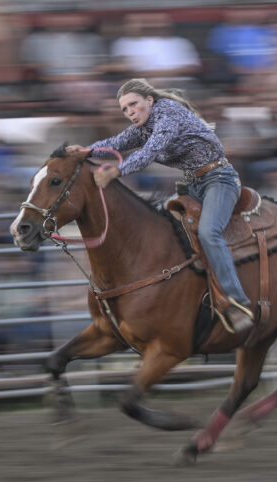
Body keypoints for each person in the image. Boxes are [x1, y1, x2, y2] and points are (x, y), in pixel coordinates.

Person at [66, 78, 254, 333]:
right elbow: (116, 142)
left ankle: (236, 302)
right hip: (193, 185)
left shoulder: (168, 113)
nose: (130, 112)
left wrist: (117, 171)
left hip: (219, 179)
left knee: (209, 233)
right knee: (163, 230)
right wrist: (86, 151)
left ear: (150, 100)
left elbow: (150, 152)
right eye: (125, 109)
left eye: (134, 104)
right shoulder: (144, 126)